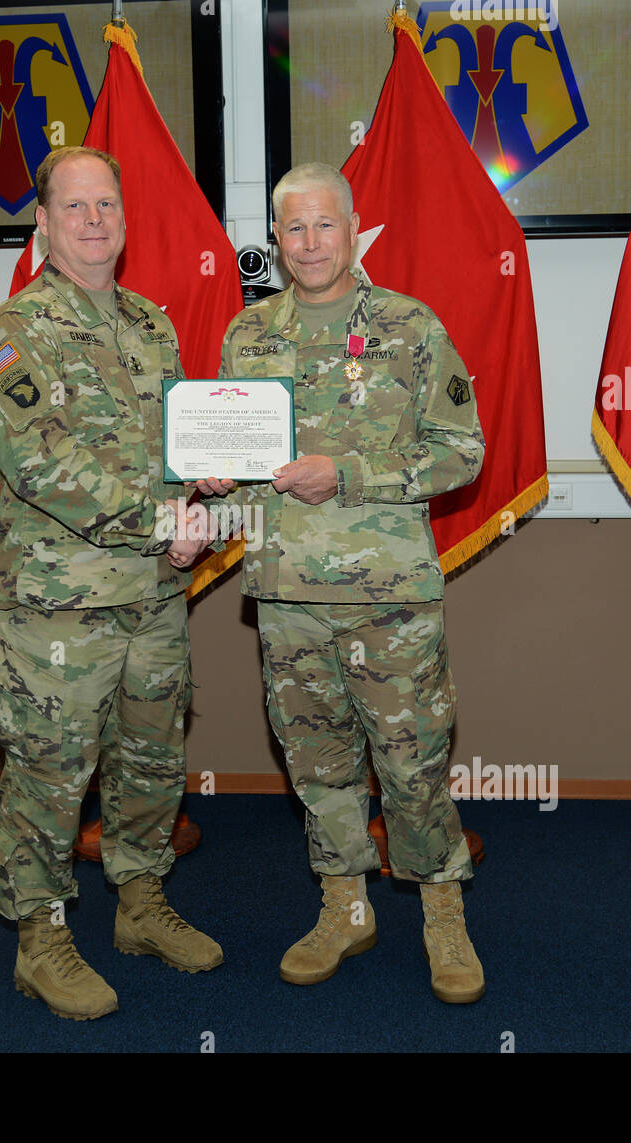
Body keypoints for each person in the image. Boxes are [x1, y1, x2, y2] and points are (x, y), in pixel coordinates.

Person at [200, 162, 486, 1003]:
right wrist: (214, 489)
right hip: (287, 598)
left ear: (353, 229)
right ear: (278, 242)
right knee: (317, 766)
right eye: (294, 228)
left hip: (388, 596)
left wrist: (350, 473)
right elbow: (245, 471)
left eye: (326, 225)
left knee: (413, 764)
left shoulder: (409, 325)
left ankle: (442, 914)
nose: (311, 242)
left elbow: (462, 450)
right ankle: (344, 908)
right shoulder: (247, 337)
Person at [0, 146, 221, 1021]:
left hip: (154, 599)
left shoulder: (153, 325)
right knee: (48, 778)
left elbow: (179, 449)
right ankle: (40, 939)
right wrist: (162, 519)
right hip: (58, 612)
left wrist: (200, 498)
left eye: (107, 203)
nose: (94, 219)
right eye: (74, 206)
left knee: (151, 766)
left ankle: (140, 907)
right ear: (42, 223)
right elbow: (42, 465)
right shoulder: (10, 332)